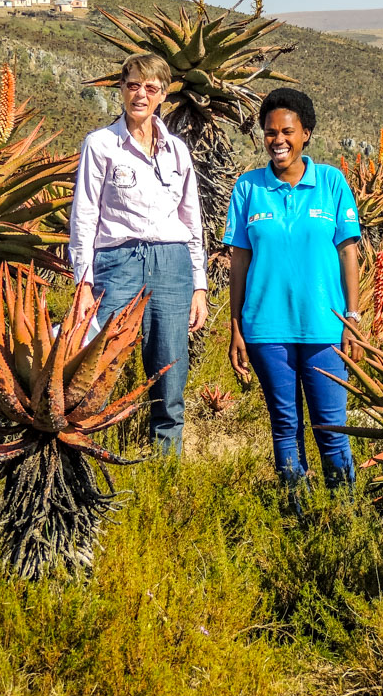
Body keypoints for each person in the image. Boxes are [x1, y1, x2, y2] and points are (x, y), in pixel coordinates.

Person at [69, 53, 208, 455]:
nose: (140, 95)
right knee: (95, 362)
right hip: (118, 262)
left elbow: (191, 221)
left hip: (173, 264)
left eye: (150, 88)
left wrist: (198, 286)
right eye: (133, 85)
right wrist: (83, 282)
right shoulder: (101, 144)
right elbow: (84, 216)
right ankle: (86, 456)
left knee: (170, 370)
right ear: (122, 89)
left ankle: (164, 471)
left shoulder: (177, 151)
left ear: (163, 94)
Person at [224, 88, 363, 487]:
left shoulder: (332, 183)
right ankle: (296, 515)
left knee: (332, 431)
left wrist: (352, 318)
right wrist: (236, 329)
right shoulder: (248, 188)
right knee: (285, 428)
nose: (278, 140)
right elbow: (239, 263)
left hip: (326, 328)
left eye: (288, 131)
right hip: (266, 332)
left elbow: (348, 253)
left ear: (306, 134)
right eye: (270, 132)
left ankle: (342, 518)